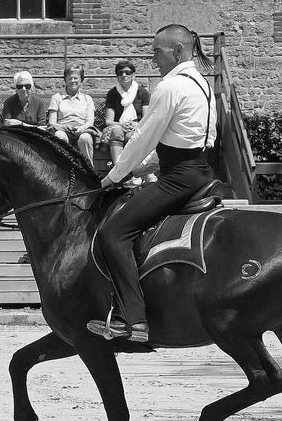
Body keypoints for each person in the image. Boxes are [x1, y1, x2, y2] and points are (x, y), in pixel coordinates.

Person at [89, 24, 217, 344]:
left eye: (157, 52)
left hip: (177, 181)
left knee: (113, 233)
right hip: (198, 172)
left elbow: (142, 139)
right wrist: (147, 167)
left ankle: (132, 319)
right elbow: (197, 140)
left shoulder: (169, 87)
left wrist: (113, 176)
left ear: (177, 51)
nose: (153, 59)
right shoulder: (203, 84)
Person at [101, 59, 151, 166]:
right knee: (117, 132)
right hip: (118, 127)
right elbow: (109, 121)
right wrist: (121, 125)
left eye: (127, 72)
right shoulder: (112, 94)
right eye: (120, 73)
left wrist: (134, 125)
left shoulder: (142, 92)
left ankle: (132, 172)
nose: (124, 75)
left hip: (137, 127)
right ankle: (118, 170)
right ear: (117, 76)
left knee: (130, 137)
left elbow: (146, 118)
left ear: (133, 75)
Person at [47, 64, 96, 164]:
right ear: (65, 80)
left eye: (76, 78)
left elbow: (90, 121)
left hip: (82, 130)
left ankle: (89, 171)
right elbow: (51, 123)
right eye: (70, 78)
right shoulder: (56, 98)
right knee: (59, 136)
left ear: (81, 80)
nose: (73, 81)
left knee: (85, 138)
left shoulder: (87, 99)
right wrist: (63, 127)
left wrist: (81, 128)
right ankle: (61, 169)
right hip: (62, 129)